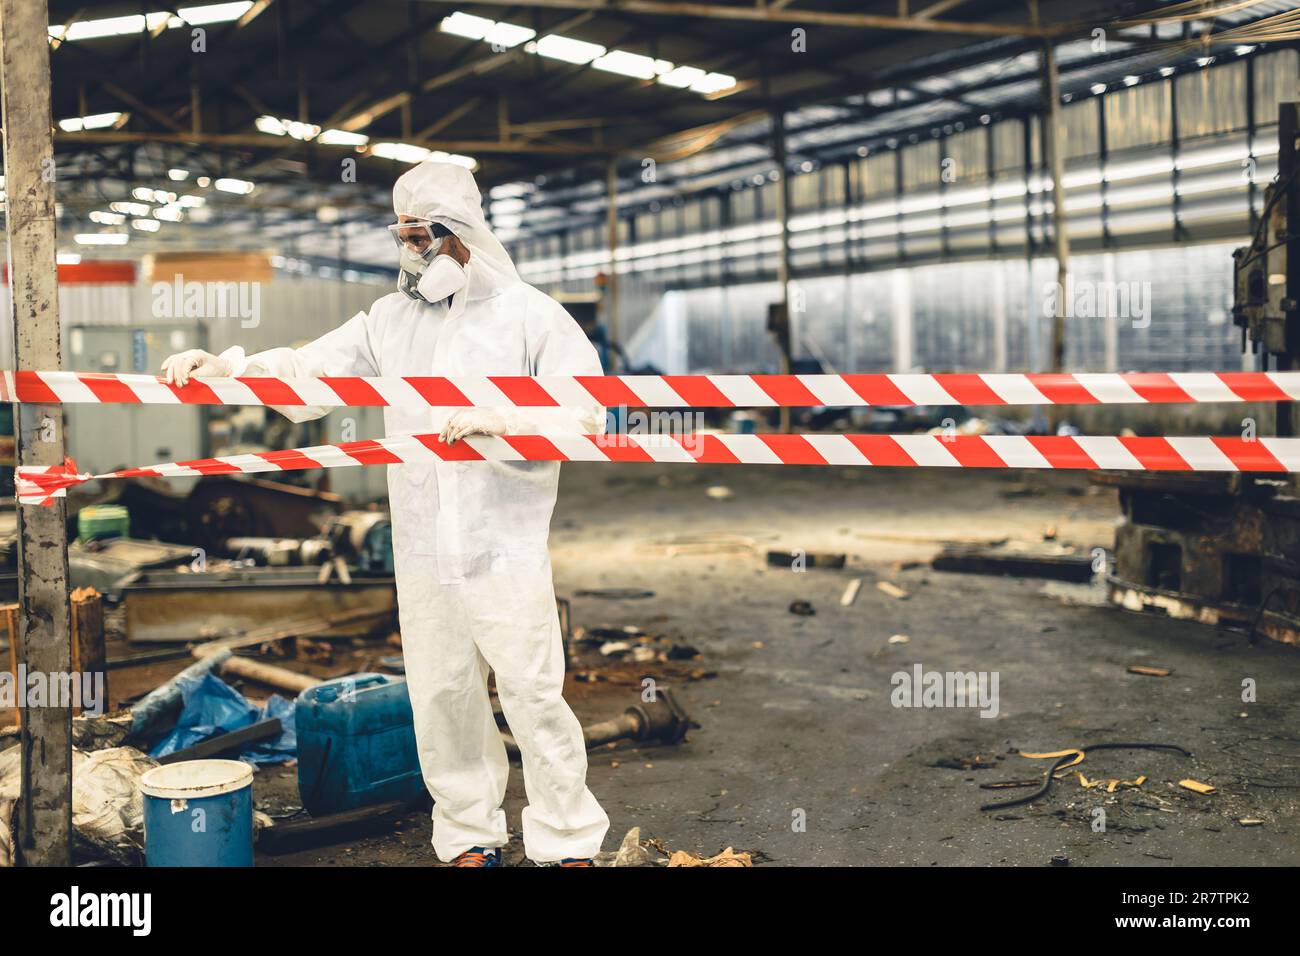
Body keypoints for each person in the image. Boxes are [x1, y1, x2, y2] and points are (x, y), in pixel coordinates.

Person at [161, 162, 610, 867]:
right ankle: (468, 836)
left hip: (504, 542)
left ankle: (568, 841)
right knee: (442, 695)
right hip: (423, 543)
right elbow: (308, 374)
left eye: (425, 234)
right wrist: (227, 367)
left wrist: (505, 417)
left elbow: (586, 409)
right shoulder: (389, 321)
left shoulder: (530, 315)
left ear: (463, 231)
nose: (414, 251)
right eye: (403, 235)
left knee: (532, 691)